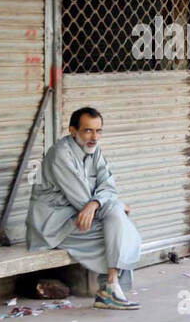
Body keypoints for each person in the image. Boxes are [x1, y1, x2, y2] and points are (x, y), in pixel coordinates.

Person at [26, 107, 143, 311]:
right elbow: (81, 199)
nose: (94, 137)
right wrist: (102, 203)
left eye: (98, 131)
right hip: (53, 225)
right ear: (73, 131)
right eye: (88, 131)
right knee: (117, 228)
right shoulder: (61, 154)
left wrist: (96, 203)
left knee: (117, 221)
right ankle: (108, 291)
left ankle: (111, 286)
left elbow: (108, 186)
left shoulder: (94, 151)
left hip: (79, 216)